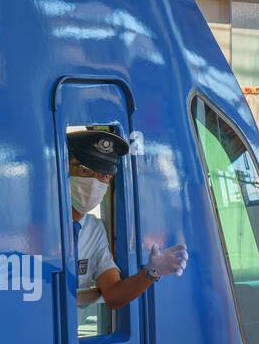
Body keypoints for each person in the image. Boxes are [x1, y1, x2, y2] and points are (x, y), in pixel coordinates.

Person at [68, 129, 187, 311]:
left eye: (104, 176)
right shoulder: (38, 227)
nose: (95, 182)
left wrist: (151, 272)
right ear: (65, 171)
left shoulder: (94, 229)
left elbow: (113, 295)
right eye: (85, 171)